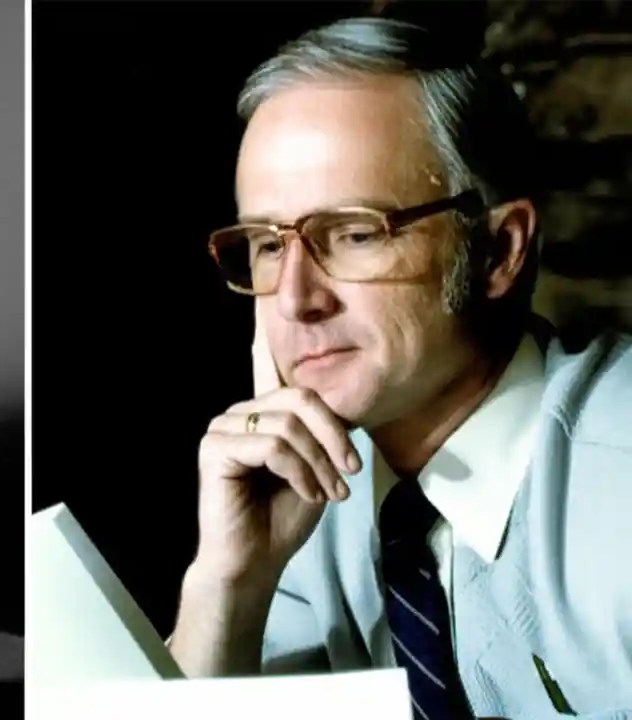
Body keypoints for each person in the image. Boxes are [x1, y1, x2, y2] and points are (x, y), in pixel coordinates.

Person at [167, 16, 632, 720]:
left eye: (354, 234)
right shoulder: (303, 498)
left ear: (498, 251)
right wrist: (228, 588)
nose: (296, 299)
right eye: (267, 244)